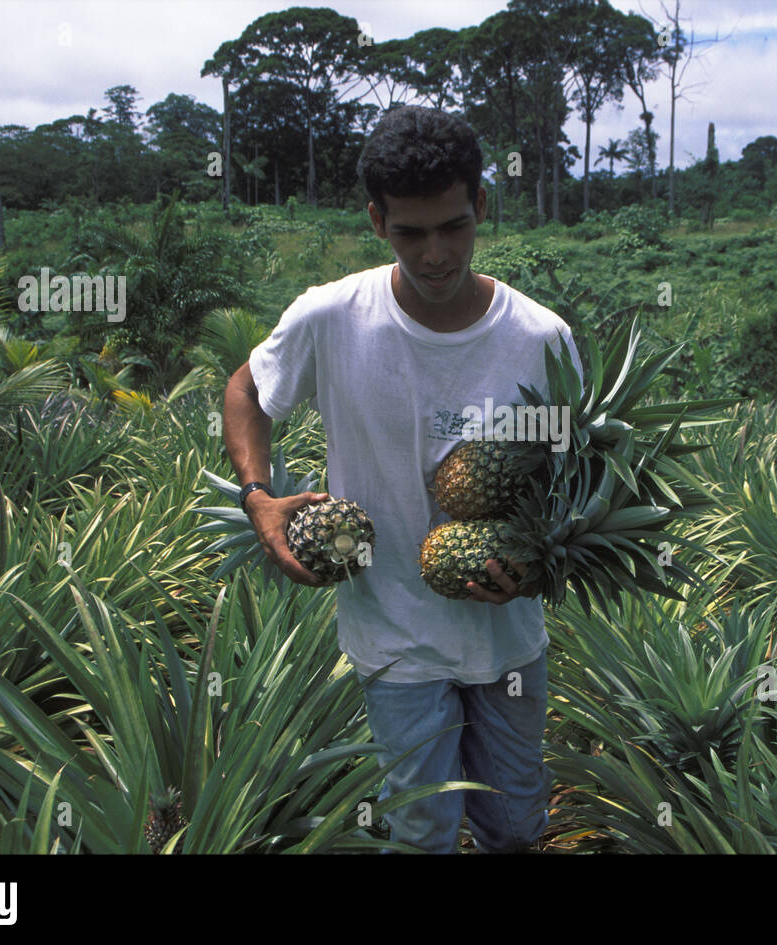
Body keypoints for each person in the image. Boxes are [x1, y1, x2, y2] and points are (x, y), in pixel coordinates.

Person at [222, 106, 581, 854]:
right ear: (376, 220)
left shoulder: (542, 340)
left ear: (481, 205)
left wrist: (539, 561)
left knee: (516, 826)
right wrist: (259, 496)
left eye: (454, 226)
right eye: (411, 233)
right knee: (420, 827)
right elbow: (246, 391)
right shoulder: (332, 316)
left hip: (508, 637)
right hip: (392, 637)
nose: (437, 254)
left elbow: (581, 477)